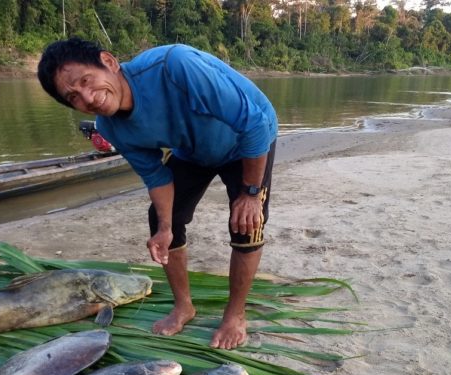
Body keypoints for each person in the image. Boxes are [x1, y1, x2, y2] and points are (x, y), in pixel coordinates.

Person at [37, 38, 278, 350]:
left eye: (86, 81)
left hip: (247, 141)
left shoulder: (174, 66)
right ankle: (184, 306)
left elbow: (254, 124)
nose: (88, 97)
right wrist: (165, 228)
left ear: (109, 62)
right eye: (74, 97)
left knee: (247, 223)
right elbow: (155, 174)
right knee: (161, 218)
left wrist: (250, 193)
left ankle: (235, 315)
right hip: (194, 151)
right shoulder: (109, 128)